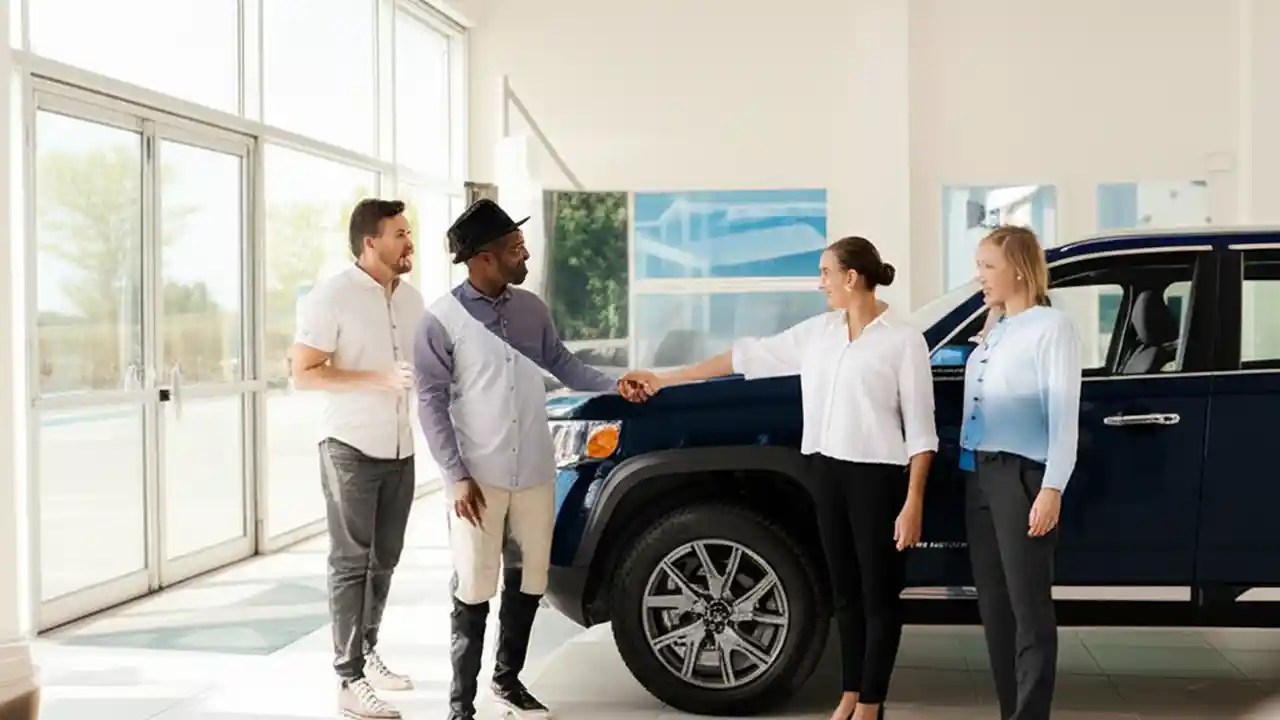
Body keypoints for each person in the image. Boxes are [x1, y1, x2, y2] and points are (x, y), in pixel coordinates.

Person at [621, 236, 937, 720]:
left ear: (851, 278)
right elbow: (745, 356)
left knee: (878, 594)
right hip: (826, 472)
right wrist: (667, 379)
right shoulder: (821, 332)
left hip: (880, 479)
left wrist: (912, 501)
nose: (821, 283)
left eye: (826, 273)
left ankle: (872, 701)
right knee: (844, 593)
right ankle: (850, 694)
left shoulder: (903, 340)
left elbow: (921, 431)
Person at [415, 199, 630, 720]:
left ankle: (506, 682)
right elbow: (429, 402)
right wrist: (455, 476)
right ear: (484, 258)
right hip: (477, 478)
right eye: (515, 247)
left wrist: (621, 387)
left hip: (535, 469)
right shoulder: (440, 320)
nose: (525, 252)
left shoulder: (531, 308)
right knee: (473, 583)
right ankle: (459, 707)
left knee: (532, 578)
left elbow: (564, 365)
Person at [292, 199, 424, 720]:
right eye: (399, 234)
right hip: (349, 447)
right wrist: (378, 379)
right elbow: (303, 372)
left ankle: (367, 651)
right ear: (370, 242)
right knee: (351, 563)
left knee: (385, 559)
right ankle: (347, 678)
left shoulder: (413, 300)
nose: (408, 242)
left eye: (408, 232)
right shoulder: (332, 297)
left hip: (401, 448)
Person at [959, 225, 1082, 720]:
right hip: (979, 476)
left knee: (1029, 610)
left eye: (988, 266)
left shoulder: (1052, 328)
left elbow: (1064, 417)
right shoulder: (997, 328)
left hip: (1023, 478)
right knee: (995, 610)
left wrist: (1052, 488)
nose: (980, 276)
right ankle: (1010, 710)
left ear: (1018, 269)